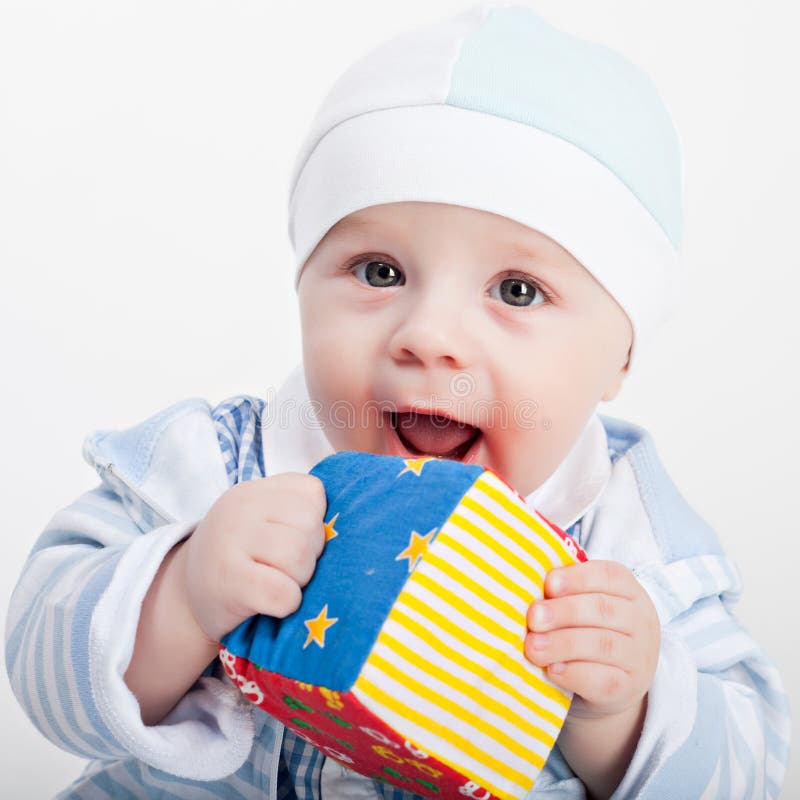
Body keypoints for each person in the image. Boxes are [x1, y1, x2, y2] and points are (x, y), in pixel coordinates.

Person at [5, 2, 790, 798]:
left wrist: (623, 712)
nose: (429, 335)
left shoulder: (634, 546)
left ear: (618, 358)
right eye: (380, 271)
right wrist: (179, 593)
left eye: (516, 291)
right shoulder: (215, 470)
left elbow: (759, 775)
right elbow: (41, 674)